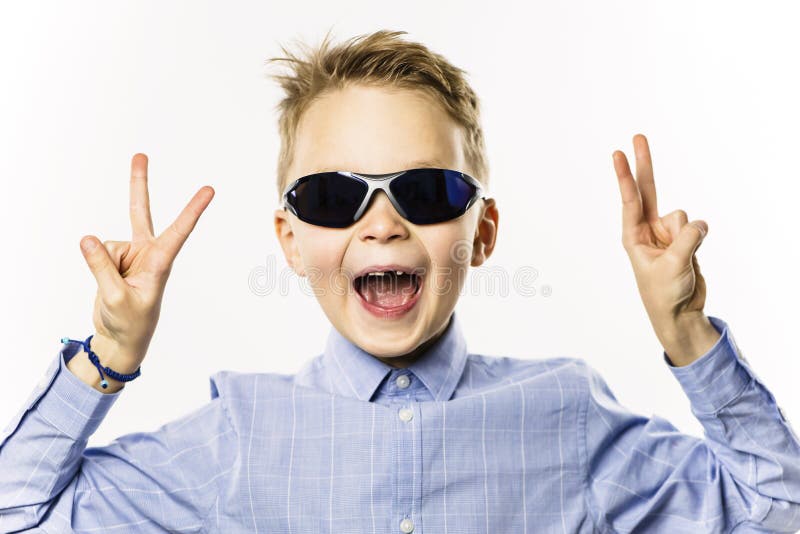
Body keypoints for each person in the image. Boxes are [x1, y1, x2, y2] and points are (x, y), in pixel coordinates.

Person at [1, 28, 798, 533]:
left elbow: (777, 511)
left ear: (481, 232)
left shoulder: (565, 418)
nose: (380, 224)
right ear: (290, 239)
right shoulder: (239, 434)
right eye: (334, 197)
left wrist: (688, 334)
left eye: (422, 191)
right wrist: (106, 354)